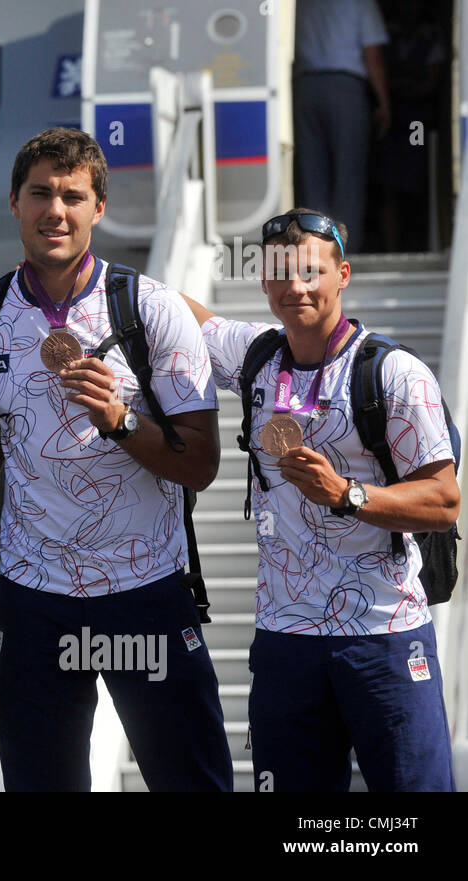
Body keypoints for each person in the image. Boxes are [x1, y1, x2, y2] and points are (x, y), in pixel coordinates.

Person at [0, 127, 233, 791]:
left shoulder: (153, 310)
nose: (56, 210)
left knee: (192, 782)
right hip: (35, 599)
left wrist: (120, 421)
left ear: (98, 208)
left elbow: (201, 465)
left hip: (147, 591)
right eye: (40, 193)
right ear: (14, 202)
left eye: (73, 196)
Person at [183, 208, 458, 791]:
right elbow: (182, 312)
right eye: (280, 272)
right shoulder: (256, 356)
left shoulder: (394, 373)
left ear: (343, 275)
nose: (296, 286)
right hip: (286, 640)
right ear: (264, 282)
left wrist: (346, 493)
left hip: (383, 634)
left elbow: (444, 501)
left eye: (311, 271)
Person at [293, 0, 390, 252]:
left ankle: (314, 251)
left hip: (305, 87)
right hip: (346, 89)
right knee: (348, 176)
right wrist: (384, 102)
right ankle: (344, 254)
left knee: (312, 175)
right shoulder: (361, 3)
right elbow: (374, 54)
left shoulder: (301, 4)